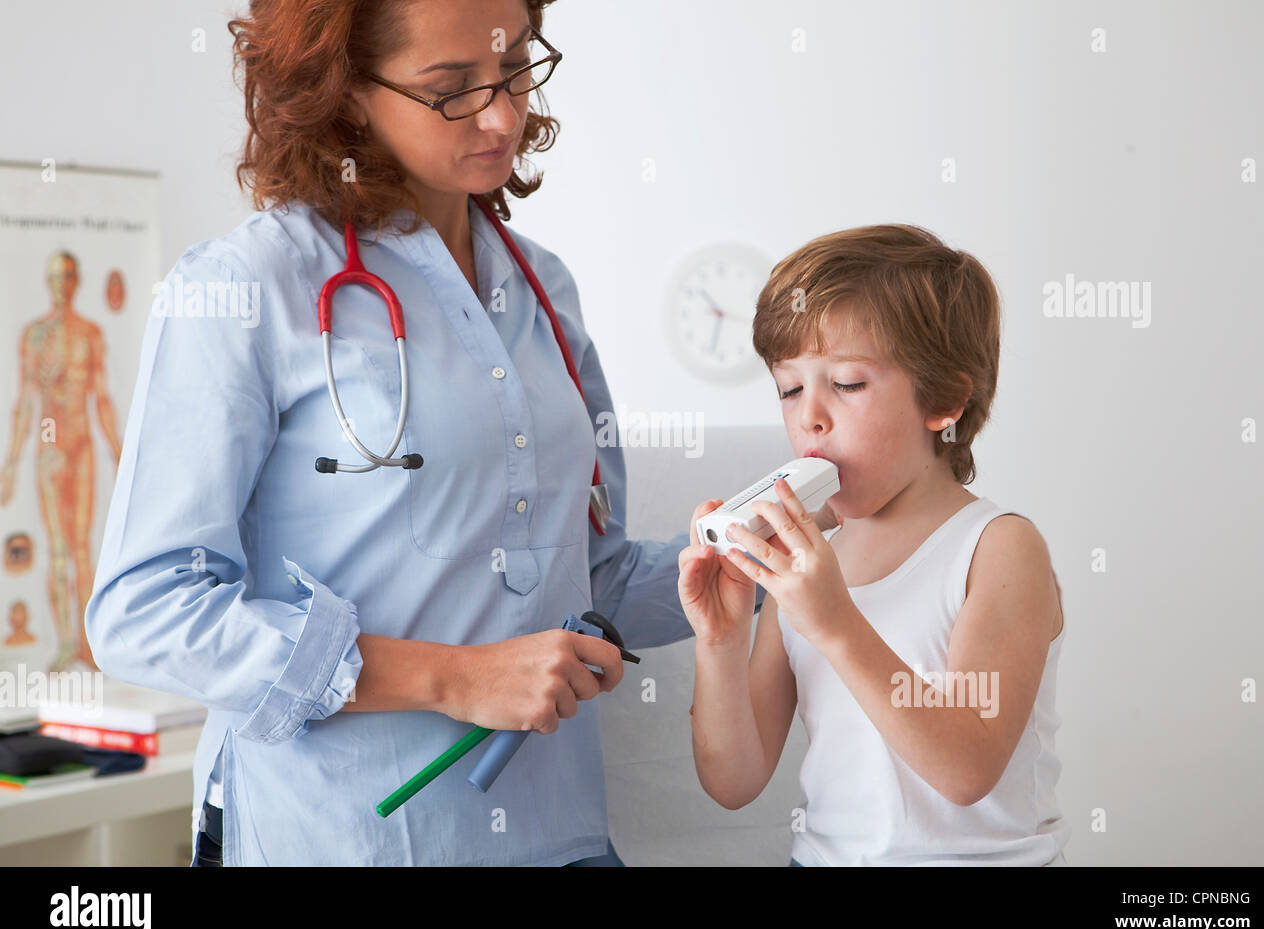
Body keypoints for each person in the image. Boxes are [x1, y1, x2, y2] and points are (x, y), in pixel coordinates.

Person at [85, 0, 759, 866]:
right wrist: (456, 677)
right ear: (345, 94)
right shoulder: (246, 288)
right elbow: (147, 611)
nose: (502, 114)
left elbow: (590, 583)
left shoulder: (543, 289)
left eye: (514, 66)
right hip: (341, 838)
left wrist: (754, 555)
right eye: (451, 89)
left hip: (559, 835)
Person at [679, 224, 1070, 865]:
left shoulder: (997, 549)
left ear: (943, 399)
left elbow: (966, 770)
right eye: (790, 388)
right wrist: (720, 642)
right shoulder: (805, 562)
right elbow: (734, 781)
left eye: (849, 384)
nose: (810, 415)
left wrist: (836, 624)